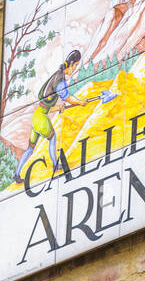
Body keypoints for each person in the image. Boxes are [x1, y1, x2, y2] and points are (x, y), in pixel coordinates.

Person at [13, 49, 96, 183]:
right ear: (71, 64)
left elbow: (46, 105)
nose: (74, 69)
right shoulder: (60, 80)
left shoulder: (56, 76)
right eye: (75, 66)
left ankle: (17, 174)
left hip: (37, 116)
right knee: (53, 137)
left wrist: (58, 107)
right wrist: (80, 102)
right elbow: (67, 97)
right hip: (41, 118)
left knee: (30, 148)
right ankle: (55, 165)